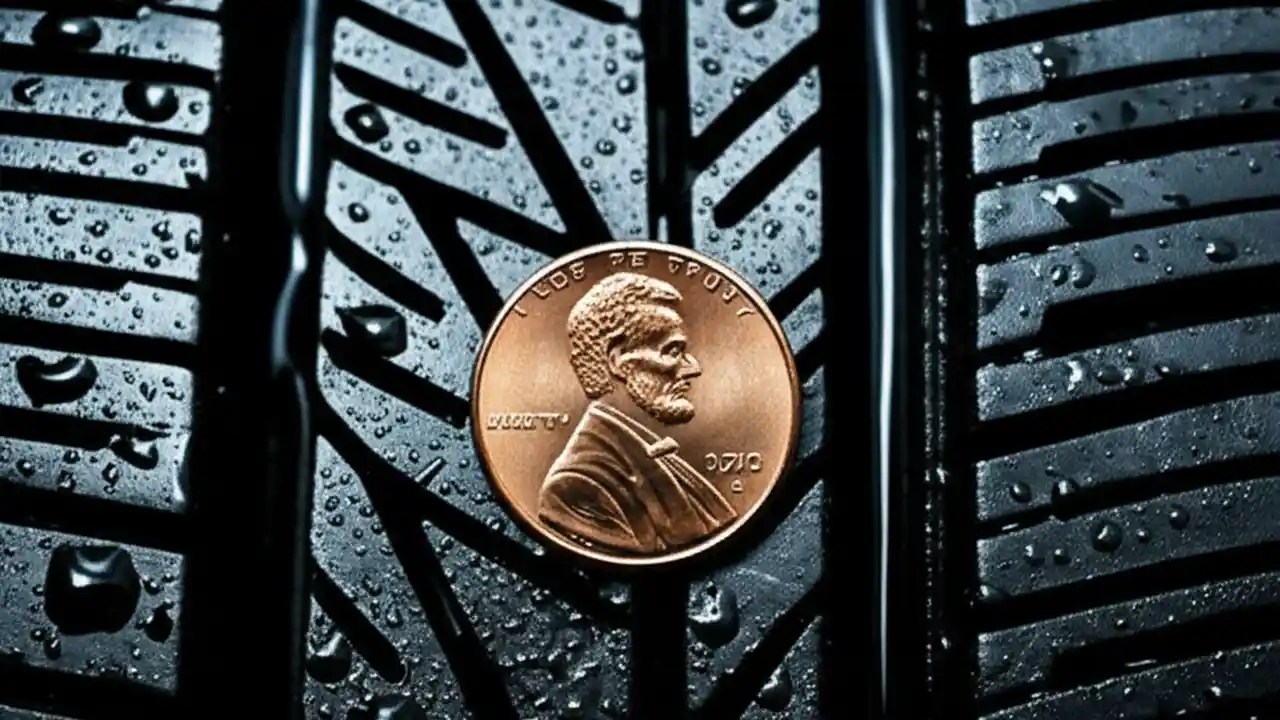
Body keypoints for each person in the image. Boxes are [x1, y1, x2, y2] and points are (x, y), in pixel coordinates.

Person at [537, 272, 738, 554]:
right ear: (618, 361)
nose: (693, 368)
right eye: (672, 351)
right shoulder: (575, 488)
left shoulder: (645, 447)